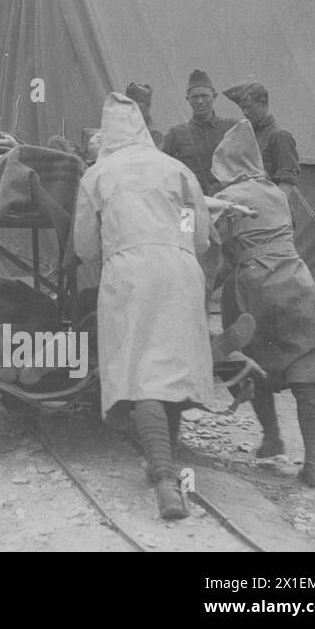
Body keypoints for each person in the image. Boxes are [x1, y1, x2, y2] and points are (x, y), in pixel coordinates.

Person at [73, 93, 215, 521]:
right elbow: (199, 231)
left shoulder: (98, 175)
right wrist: (176, 238)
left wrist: (117, 236)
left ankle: (165, 476)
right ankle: (164, 463)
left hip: (131, 272)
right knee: (171, 366)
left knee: (142, 372)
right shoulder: (176, 169)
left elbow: (83, 247)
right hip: (180, 268)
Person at [210, 120, 315, 487]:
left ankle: (272, 437)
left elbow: (225, 255)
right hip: (296, 279)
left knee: (250, 360)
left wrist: (206, 289)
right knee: (305, 369)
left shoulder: (229, 199)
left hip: (254, 286)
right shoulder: (273, 191)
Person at [161, 69, 236, 195]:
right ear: (187, 99)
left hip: (230, 201)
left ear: (214, 96)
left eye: (205, 96)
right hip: (193, 202)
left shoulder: (231, 128)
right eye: (195, 97)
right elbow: (163, 168)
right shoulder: (176, 134)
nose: (200, 101)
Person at [222, 82, 300, 198]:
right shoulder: (247, 133)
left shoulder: (280, 136)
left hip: (272, 208)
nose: (245, 113)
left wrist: (275, 208)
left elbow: (286, 181)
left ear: (263, 103)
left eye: (249, 107)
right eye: (243, 108)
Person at [124, 82, 163, 147]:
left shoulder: (153, 134)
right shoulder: (121, 127)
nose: (130, 108)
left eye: (135, 104)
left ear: (147, 106)